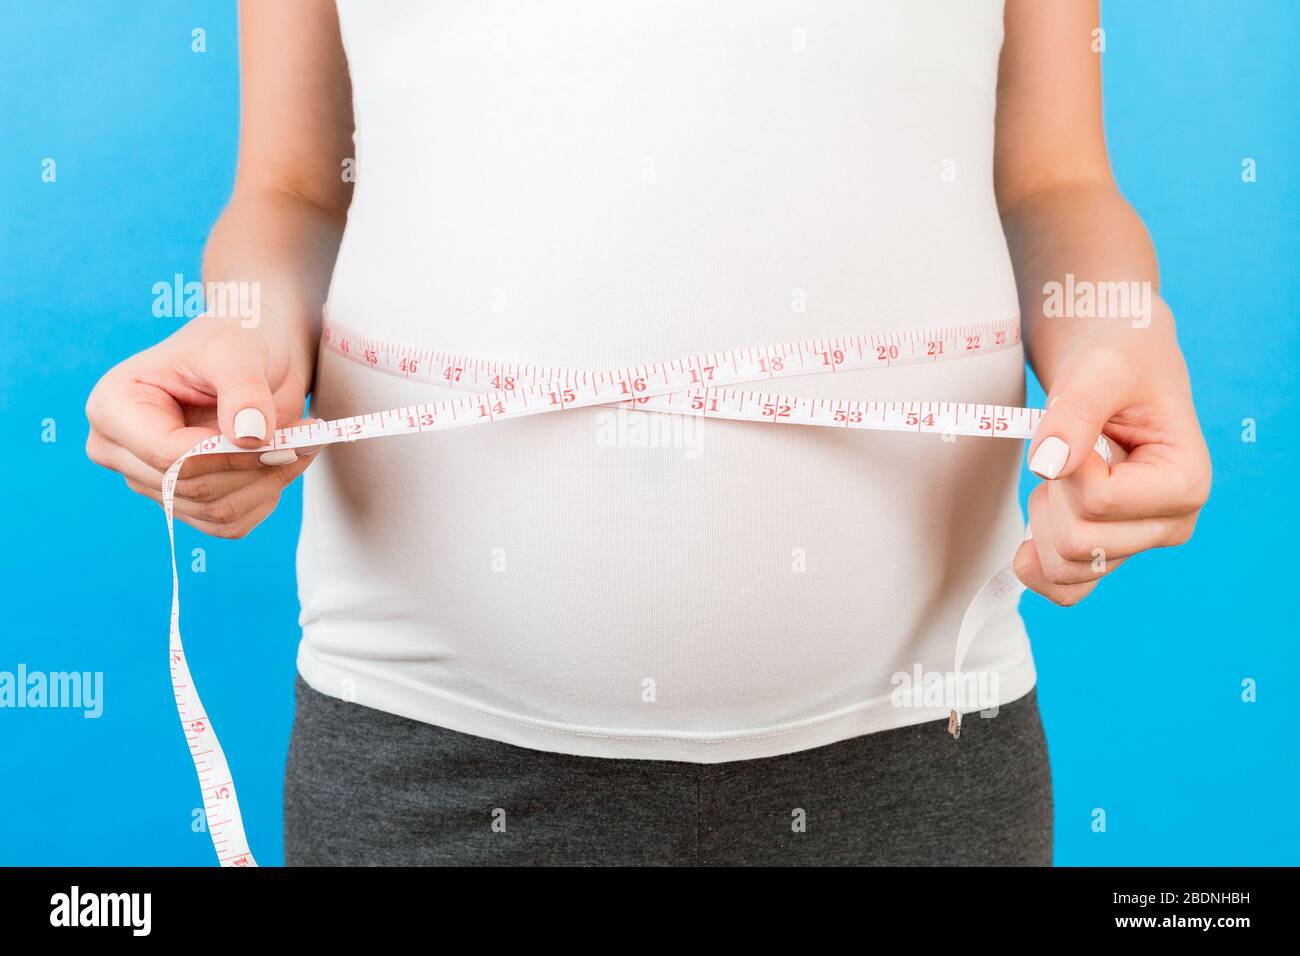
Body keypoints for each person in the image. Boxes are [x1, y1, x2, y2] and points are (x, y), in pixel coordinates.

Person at [85, 0, 1209, 866]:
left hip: (924, 742)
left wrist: (1119, 329)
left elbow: (1055, 181)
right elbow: (291, 190)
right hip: (422, 743)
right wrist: (249, 338)